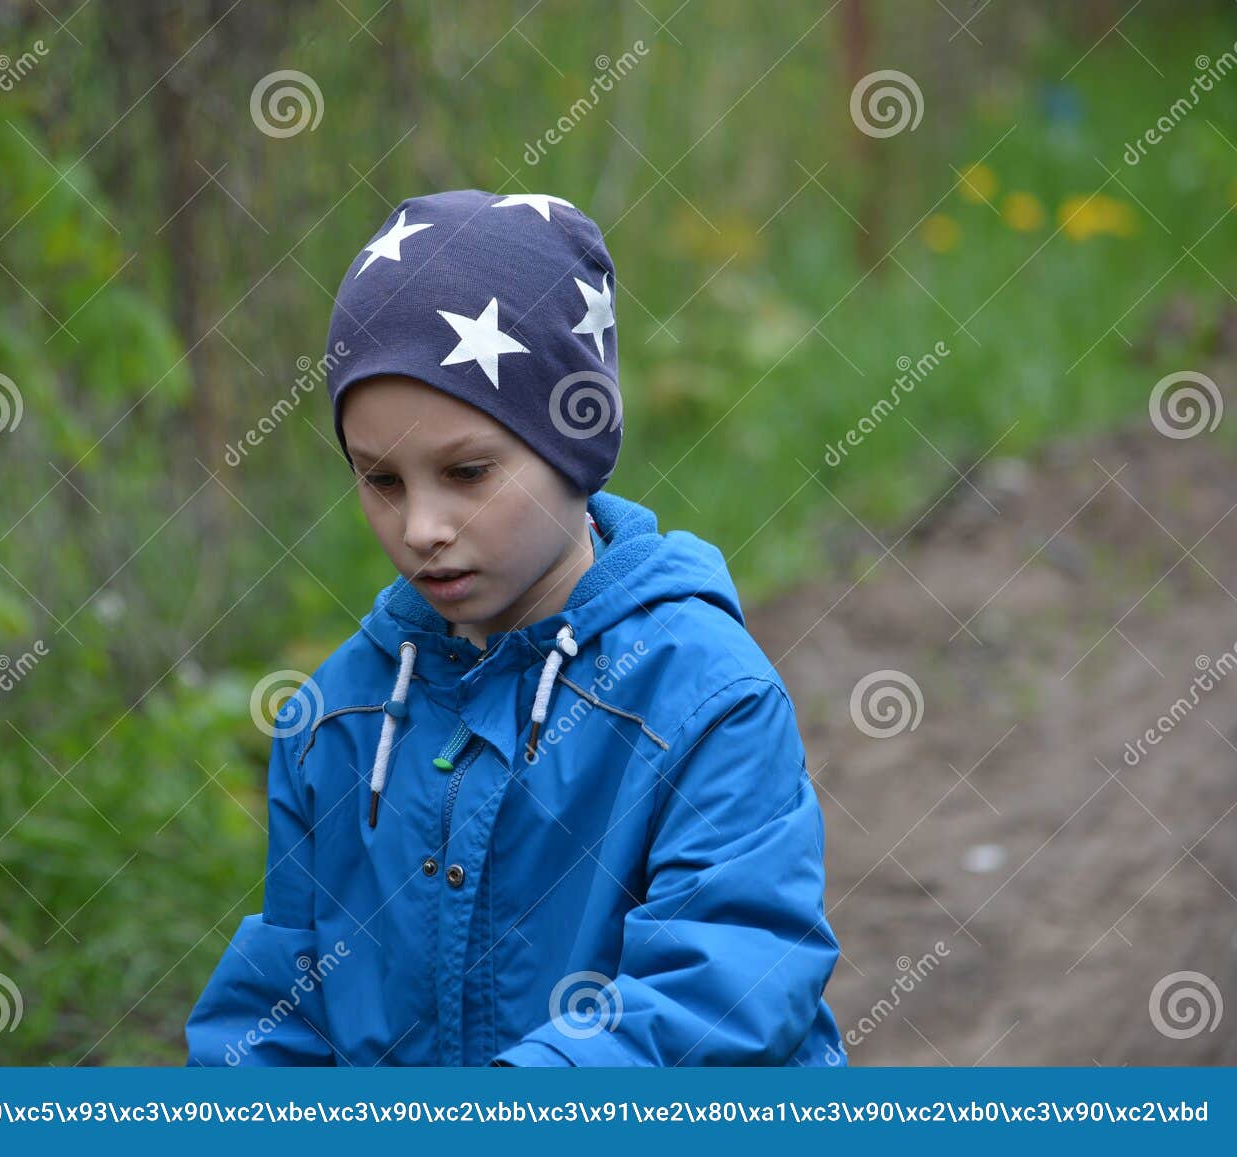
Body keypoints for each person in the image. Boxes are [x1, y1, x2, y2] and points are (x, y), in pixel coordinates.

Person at [184, 188, 846, 1067]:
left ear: (574, 441)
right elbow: (284, 1006)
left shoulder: (703, 695)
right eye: (381, 480)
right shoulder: (337, 721)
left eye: (465, 472)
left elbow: (723, 983)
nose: (420, 526)